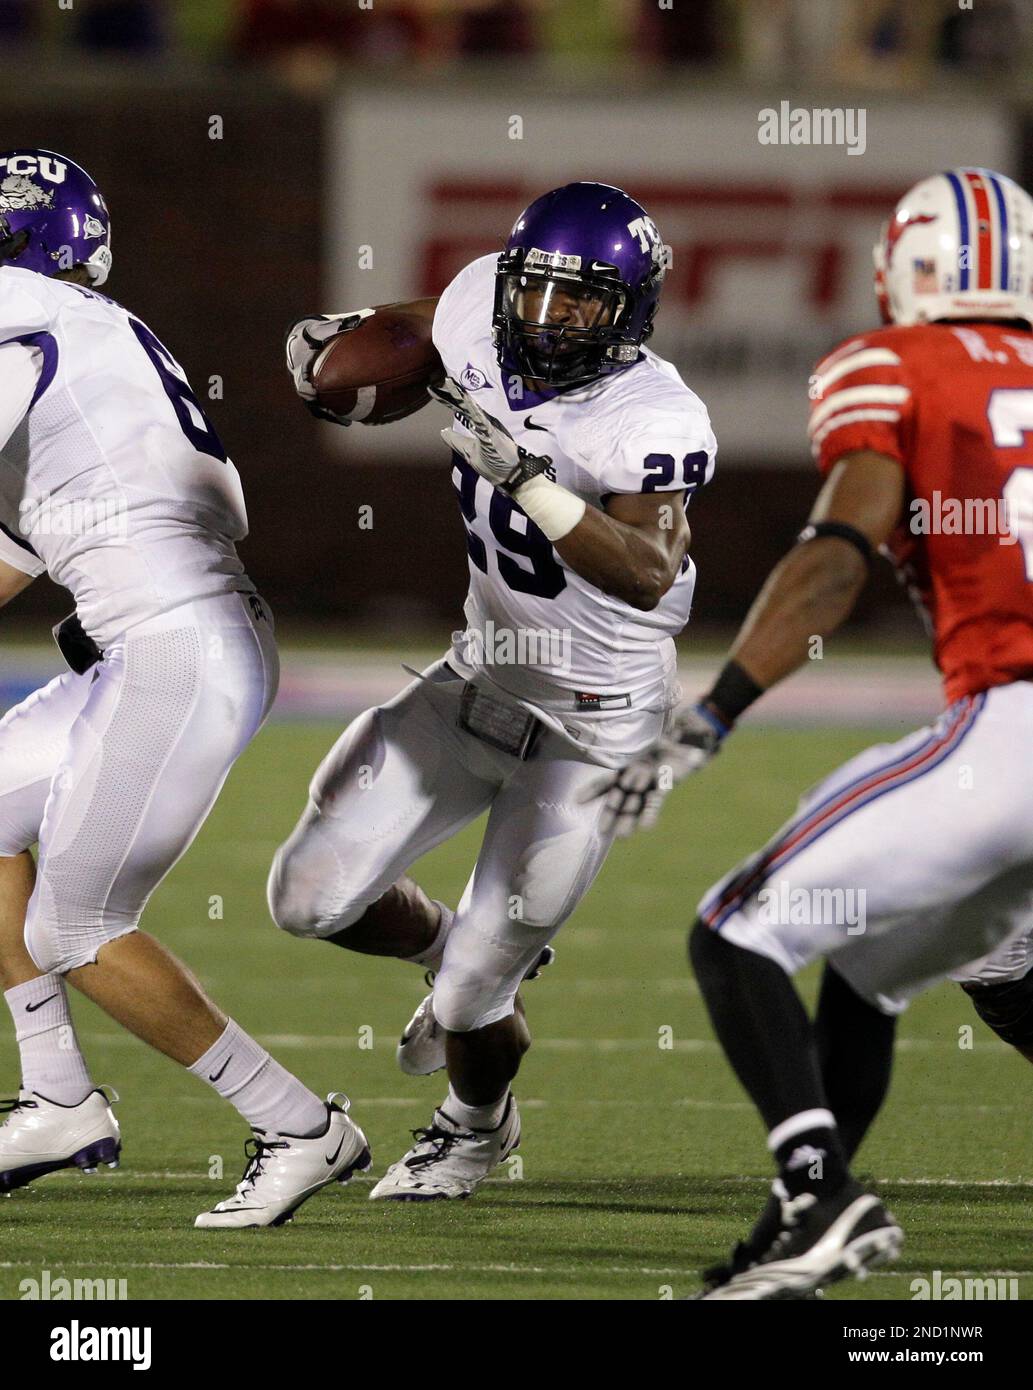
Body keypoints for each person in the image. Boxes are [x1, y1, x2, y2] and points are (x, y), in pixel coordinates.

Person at [604, 167, 1033, 1299]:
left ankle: (821, 1195)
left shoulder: (891, 364)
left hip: (1014, 727)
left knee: (731, 931)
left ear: (909, 267)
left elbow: (840, 551)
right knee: (870, 964)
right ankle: (801, 1214)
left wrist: (713, 712)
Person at [273, 181, 716, 1200]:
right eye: (536, 292)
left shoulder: (653, 415)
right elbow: (421, 330)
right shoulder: (485, 301)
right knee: (304, 897)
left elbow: (645, 568)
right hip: (478, 677)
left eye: (580, 301)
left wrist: (529, 481)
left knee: (477, 1001)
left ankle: (473, 1127)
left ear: (631, 310)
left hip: (595, 729)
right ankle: (442, 945)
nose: (547, 318)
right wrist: (346, 347)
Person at [0, 147, 369, 1228]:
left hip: (176, 647)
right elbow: (18, 553)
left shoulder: (21, 314)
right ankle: (59, 1098)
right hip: (163, 639)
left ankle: (302, 1126)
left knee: (80, 924)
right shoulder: (92, 337)